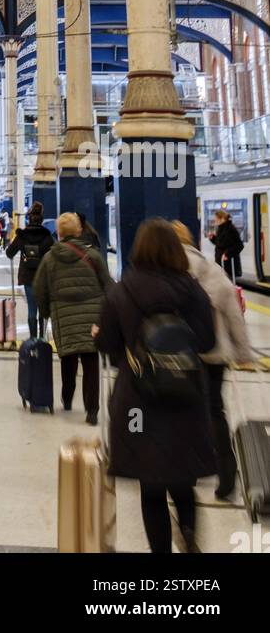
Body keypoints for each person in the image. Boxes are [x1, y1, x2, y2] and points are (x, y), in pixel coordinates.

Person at [95, 218, 216, 554]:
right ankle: (189, 534)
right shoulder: (193, 290)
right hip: (186, 396)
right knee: (182, 478)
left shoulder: (122, 290)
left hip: (138, 402)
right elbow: (206, 341)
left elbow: (106, 343)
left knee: (151, 486)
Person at [172, 219, 254, 501]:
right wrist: (243, 353)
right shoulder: (213, 269)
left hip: (181, 355)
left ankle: (189, 468)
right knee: (214, 411)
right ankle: (226, 471)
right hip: (215, 353)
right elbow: (233, 313)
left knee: (183, 411)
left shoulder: (168, 272)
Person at [33, 212, 111, 423]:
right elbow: (108, 285)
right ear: (79, 230)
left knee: (68, 359)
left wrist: (46, 312)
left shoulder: (49, 258)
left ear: (59, 232)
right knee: (91, 362)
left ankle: (67, 399)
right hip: (92, 317)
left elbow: (39, 290)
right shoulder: (92, 255)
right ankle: (92, 411)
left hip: (63, 316)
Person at [5, 200, 54, 339]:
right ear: (42, 219)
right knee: (43, 310)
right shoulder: (47, 237)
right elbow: (56, 253)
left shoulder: (22, 236)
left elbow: (9, 253)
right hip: (44, 278)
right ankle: (42, 339)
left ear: (29, 217)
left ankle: (33, 340)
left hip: (28, 278)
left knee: (32, 310)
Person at [210, 209, 244, 283]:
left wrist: (228, 254)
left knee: (228, 284)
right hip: (220, 262)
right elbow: (220, 244)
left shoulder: (231, 229)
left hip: (228, 263)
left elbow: (239, 245)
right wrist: (213, 238)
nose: (215, 220)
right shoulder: (220, 228)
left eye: (216, 219)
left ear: (222, 219)